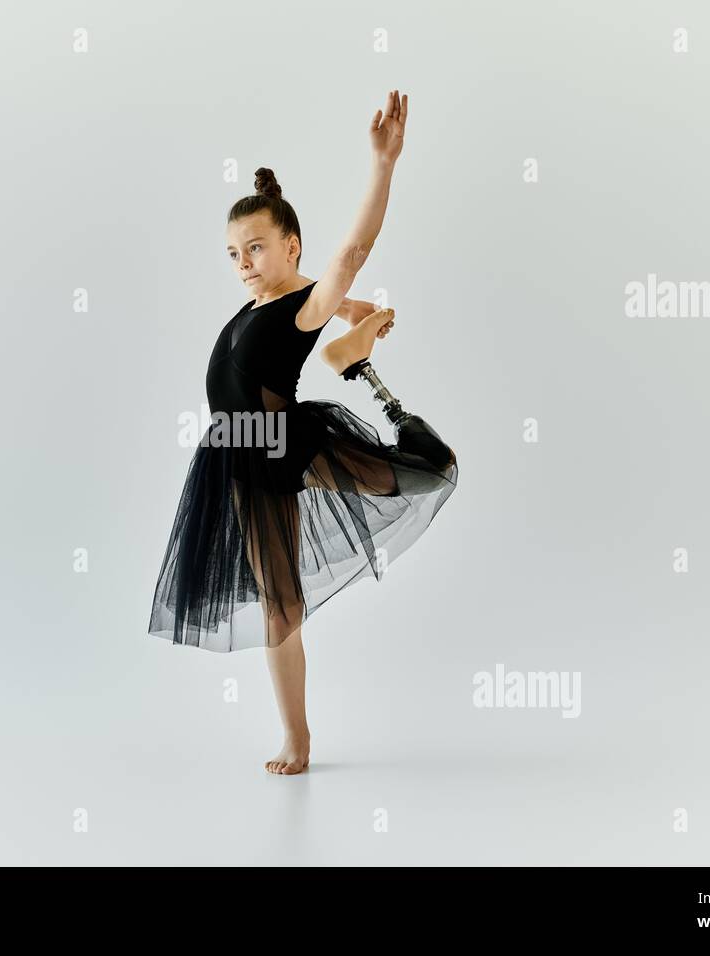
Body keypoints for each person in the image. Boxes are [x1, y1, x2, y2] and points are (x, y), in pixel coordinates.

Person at [148, 91, 458, 774]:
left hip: (284, 446)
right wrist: (356, 308)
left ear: (290, 245)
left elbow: (348, 255)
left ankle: (409, 427)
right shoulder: (264, 300)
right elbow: (316, 289)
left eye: (256, 247)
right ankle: (298, 738)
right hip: (235, 456)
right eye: (233, 253)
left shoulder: (296, 304)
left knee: (407, 480)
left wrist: (383, 166)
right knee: (277, 607)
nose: (244, 262)